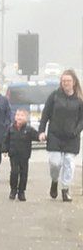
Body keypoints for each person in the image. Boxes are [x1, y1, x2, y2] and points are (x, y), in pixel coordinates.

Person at [39, 69, 83, 202]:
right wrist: (42, 131)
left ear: (74, 82)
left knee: (69, 162)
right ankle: (54, 181)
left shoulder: (79, 99)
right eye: (63, 81)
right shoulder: (54, 96)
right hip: (55, 135)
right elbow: (45, 114)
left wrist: (76, 130)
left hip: (72, 137)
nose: (66, 83)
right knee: (55, 163)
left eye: (68, 81)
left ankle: (65, 189)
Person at [2, 108, 41, 202]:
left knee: (24, 173)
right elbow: (5, 140)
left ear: (26, 118)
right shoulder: (10, 128)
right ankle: (13, 190)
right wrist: (4, 150)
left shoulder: (29, 129)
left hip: (24, 155)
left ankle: (21, 191)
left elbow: (37, 136)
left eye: (22, 115)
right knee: (14, 172)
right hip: (13, 154)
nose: (19, 117)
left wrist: (42, 136)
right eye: (17, 115)